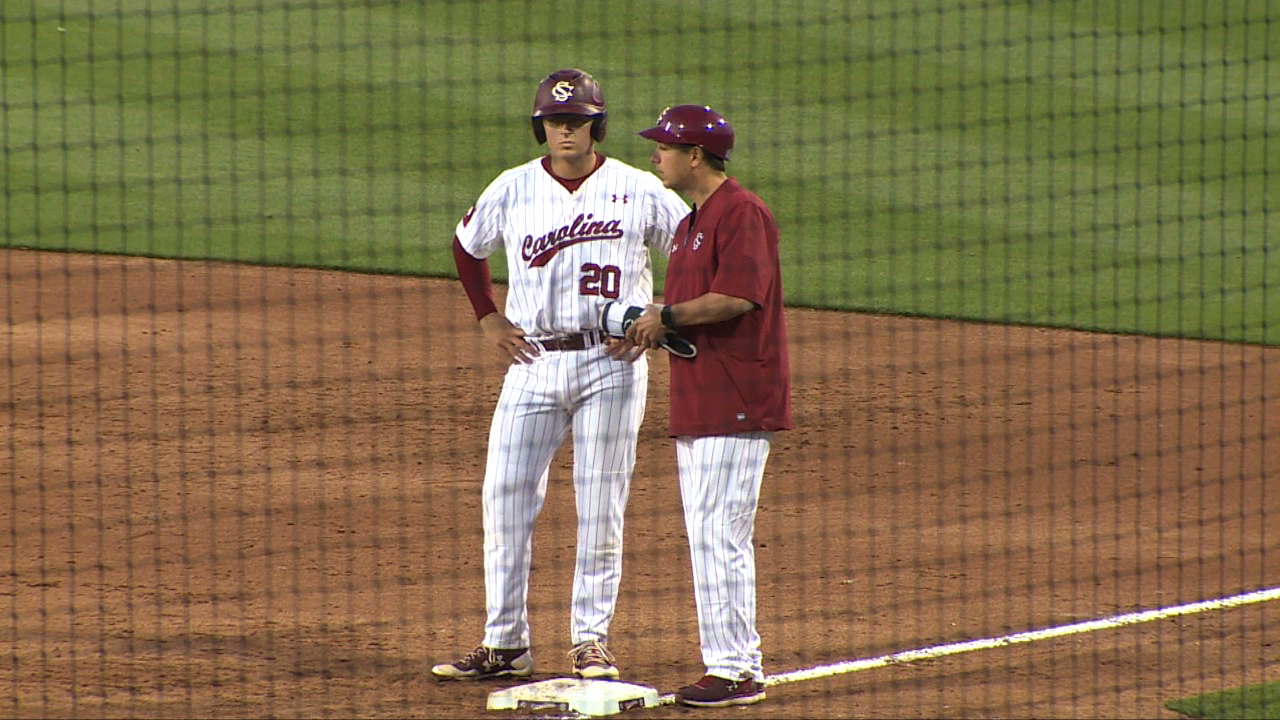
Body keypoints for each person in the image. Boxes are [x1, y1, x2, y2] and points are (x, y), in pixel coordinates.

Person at [431, 70, 690, 682]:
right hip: (533, 361)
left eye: (576, 121)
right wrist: (488, 318)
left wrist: (659, 315)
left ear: (596, 125)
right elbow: (467, 247)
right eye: (555, 120)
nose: (565, 130)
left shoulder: (637, 186)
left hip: (612, 363)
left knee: (600, 502)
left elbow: (694, 246)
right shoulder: (514, 187)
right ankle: (505, 642)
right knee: (505, 495)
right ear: (541, 126)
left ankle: (590, 640)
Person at [621, 104, 792, 707]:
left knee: (720, 534)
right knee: (708, 534)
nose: (654, 155)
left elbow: (739, 298)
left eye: (664, 146)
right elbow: (693, 311)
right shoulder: (693, 221)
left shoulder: (741, 213)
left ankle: (737, 669)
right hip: (701, 399)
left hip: (737, 400)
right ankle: (731, 662)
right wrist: (653, 328)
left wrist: (664, 315)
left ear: (696, 155)